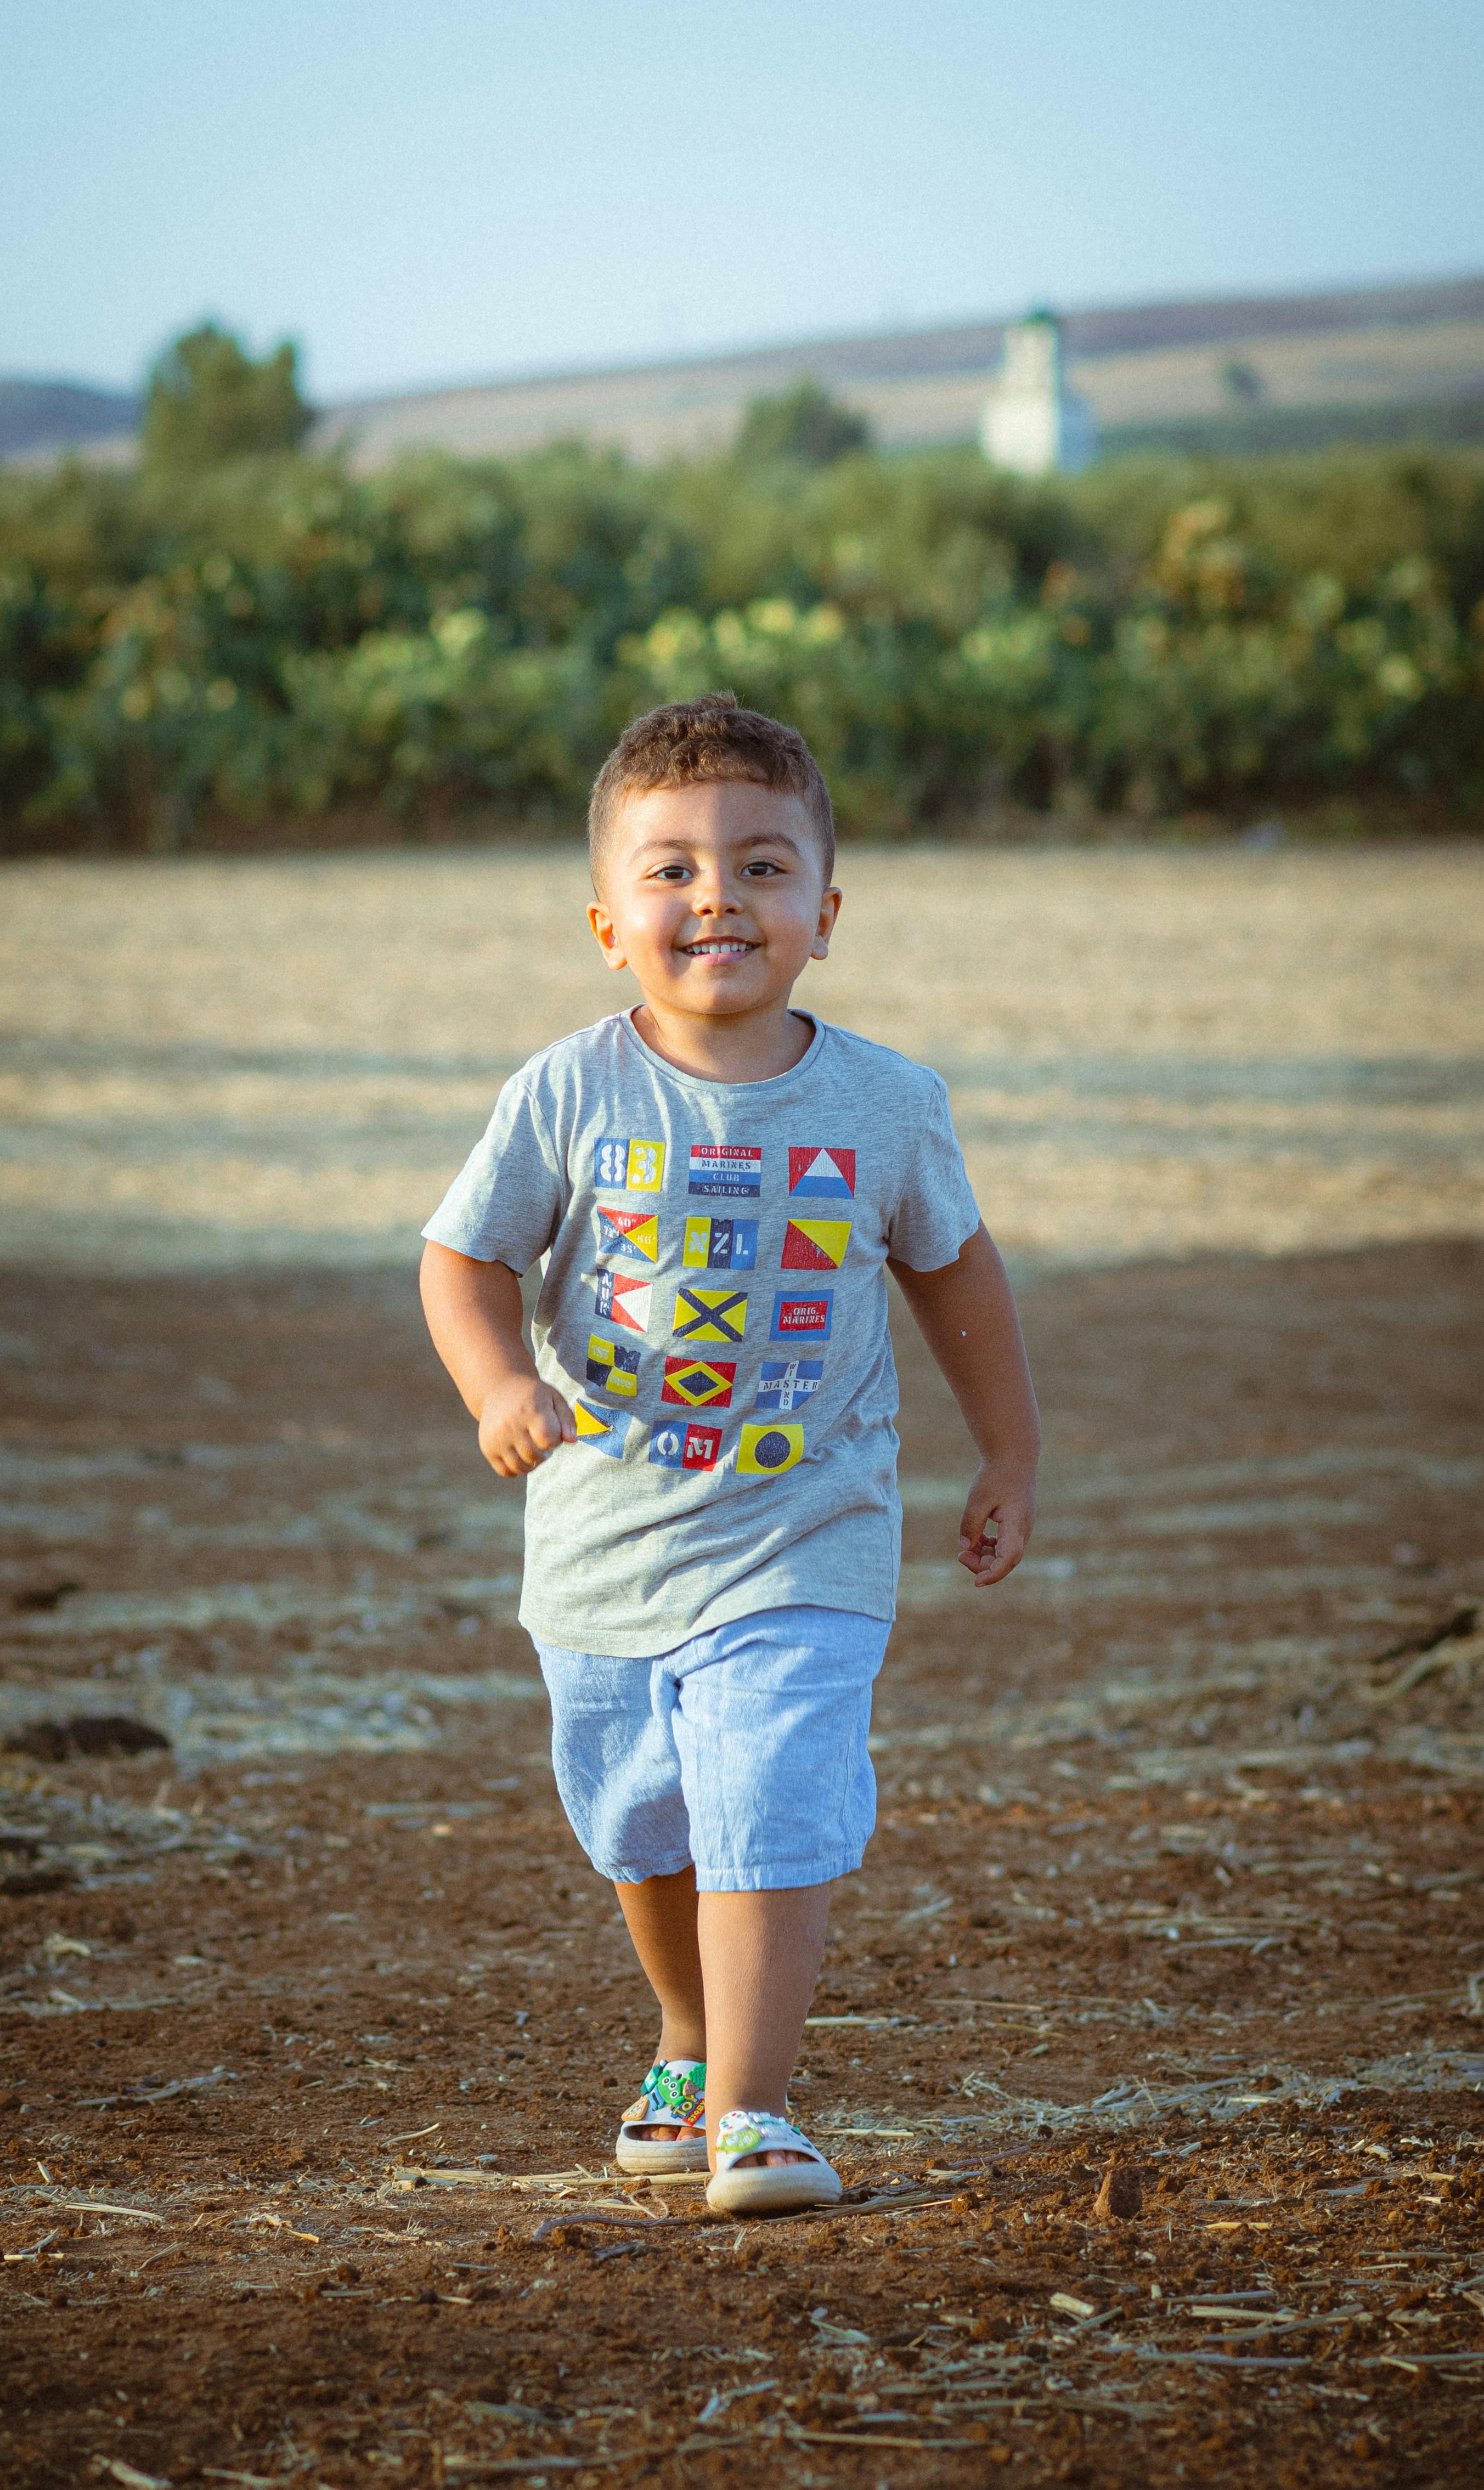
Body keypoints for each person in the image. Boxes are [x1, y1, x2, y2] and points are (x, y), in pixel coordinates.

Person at [419, 693, 1039, 2214]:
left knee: (766, 1785)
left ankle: (754, 2113)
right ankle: (689, 2038)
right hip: (605, 1538)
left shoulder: (888, 1104)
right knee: (636, 1812)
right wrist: (498, 1381)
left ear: (824, 914)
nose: (717, 899)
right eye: (674, 870)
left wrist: (1006, 1449)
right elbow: (460, 1259)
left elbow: (954, 1272)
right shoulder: (566, 1090)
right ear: (605, 920)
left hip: (806, 1528)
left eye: (763, 869)